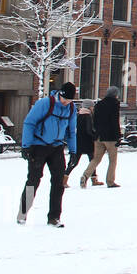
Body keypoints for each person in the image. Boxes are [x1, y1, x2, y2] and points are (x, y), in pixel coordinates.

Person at [19, 82, 80, 227]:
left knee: (58, 183)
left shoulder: (71, 109)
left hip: (57, 148)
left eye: (70, 100)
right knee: (33, 180)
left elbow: (71, 132)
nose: (66, 103)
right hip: (38, 146)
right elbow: (29, 123)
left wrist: (73, 151)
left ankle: (54, 217)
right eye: (65, 99)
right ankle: (22, 213)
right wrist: (26, 146)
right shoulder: (45, 104)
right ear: (60, 95)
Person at [83, 86, 122, 189]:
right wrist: (118, 136)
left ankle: (85, 175)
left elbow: (94, 120)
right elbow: (114, 121)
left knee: (96, 159)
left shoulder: (99, 104)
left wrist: (97, 132)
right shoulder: (114, 104)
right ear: (115, 94)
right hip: (110, 137)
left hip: (99, 136)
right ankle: (110, 181)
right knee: (112, 160)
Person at [64, 105, 95, 188]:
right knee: (93, 160)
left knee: (74, 161)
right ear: (89, 107)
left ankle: (64, 178)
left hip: (78, 141)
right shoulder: (88, 116)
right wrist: (94, 136)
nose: (93, 108)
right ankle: (94, 179)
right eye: (92, 106)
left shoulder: (78, 115)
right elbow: (88, 130)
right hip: (87, 141)